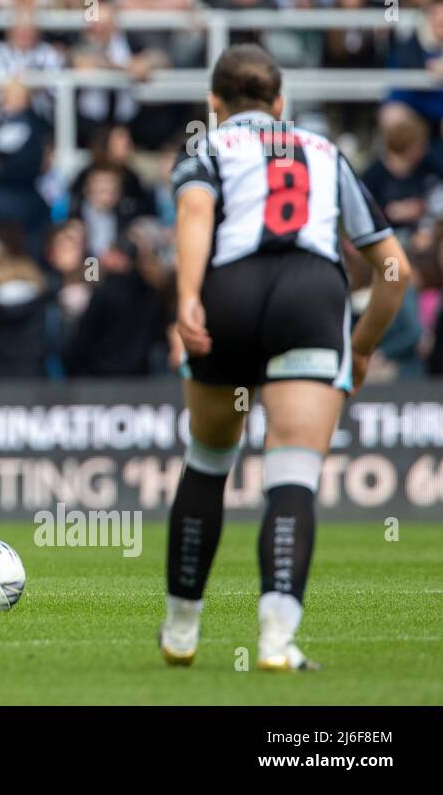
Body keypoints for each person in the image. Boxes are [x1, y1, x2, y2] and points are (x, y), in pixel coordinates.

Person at [162, 45, 408, 671]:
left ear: (214, 106)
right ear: (280, 104)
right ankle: (276, 641)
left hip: (230, 292)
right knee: (293, 475)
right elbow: (393, 268)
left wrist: (189, 298)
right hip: (311, 295)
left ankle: (181, 631)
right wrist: (359, 347)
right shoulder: (325, 152)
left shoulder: (207, 147)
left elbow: (195, 210)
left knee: (209, 459)